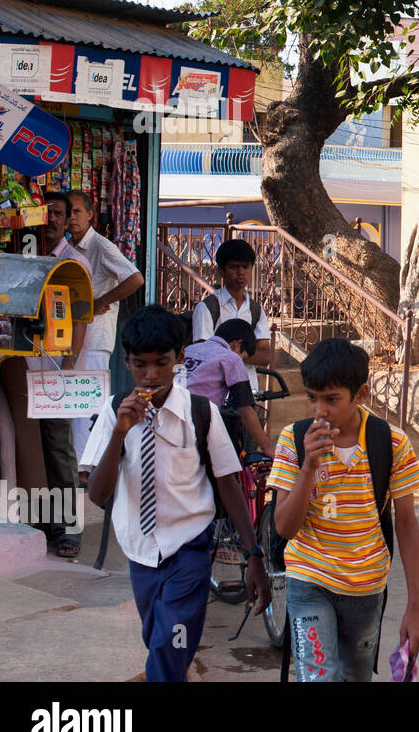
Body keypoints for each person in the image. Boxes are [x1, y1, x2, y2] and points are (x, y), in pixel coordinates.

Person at [80, 305, 269, 682]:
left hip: (188, 550)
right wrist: (120, 432)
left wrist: (253, 555)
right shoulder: (114, 411)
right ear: (127, 361)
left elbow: (227, 483)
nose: (151, 375)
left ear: (180, 358)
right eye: (140, 364)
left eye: (161, 363)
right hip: (140, 552)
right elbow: (98, 495)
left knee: (172, 644)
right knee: (160, 641)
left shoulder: (202, 413)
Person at [268, 338, 419, 682]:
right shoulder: (293, 440)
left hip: (366, 587)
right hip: (309, 578)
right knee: (318, 677)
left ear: (361, 395)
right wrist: (308, 467)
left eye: (331, 399)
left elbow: (407, 525)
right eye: (312, 397)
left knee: (356, 677)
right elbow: (284, 527)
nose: (319, 410)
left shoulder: (391, 442)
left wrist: (416, 608)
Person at [30, 191, 90, 556]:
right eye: (46, 213)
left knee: (58, 447)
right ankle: (44, 521)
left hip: (55, 367)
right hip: (21, 364)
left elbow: (81, 318)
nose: (50, 219)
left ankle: (70, 529)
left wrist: (67, 367)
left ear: (68, 220)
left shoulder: (73, 261)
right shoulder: (27, 256)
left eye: (57, 214)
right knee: (31, 446)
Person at [66, 189, 144, 462]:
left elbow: (135, 278)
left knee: (87, 402)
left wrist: (101, 300)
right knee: (76, 400)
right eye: (69, 212)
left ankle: (89, 464)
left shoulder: (101, 246)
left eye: (77, 212)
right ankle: (80, 462)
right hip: (78, 334)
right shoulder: (72, 247)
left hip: (96, 334)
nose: (72, 218)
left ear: (90, 215)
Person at [179, 318, 274, 455]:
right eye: (242, 356)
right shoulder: (231, 358)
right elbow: (244, 409)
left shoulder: (190, 349)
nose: (240, 359)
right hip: (195, 424)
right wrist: (267, 447)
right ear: (237, 344)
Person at [190, 238, 272, 389]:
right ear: (221, 271)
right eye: (234, 267)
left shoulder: (256, 309)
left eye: (245, 267)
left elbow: (265, 355)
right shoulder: (208, 308)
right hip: (216, 390)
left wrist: (229, 353)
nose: (241, 273)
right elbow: (204, 355)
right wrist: (243, 353)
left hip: (248, 388)